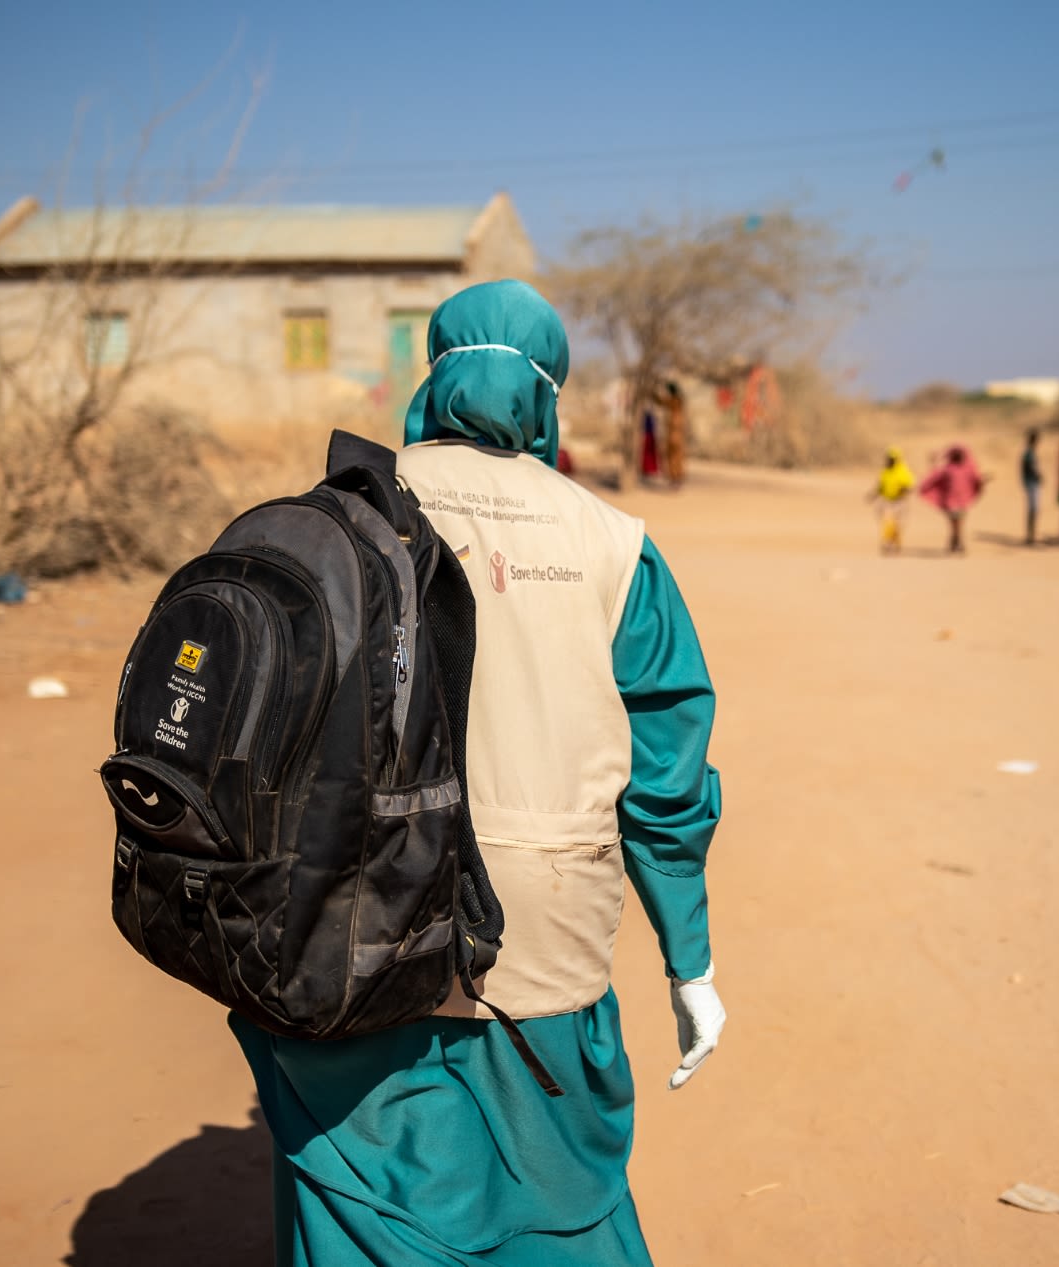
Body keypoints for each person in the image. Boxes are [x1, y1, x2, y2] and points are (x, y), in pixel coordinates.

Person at [231, 280, 726, 1266]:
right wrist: (690, 958)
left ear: (435, 377)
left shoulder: (335, 512)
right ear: (545, 396)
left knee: (364, 1203)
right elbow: (665, 774)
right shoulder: (614, 542)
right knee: (559, 1201)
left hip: (345, 926)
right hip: (547, 930)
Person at [919, 444, 987, 555]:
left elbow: (976, 480)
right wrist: (932, 462)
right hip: (950, 502)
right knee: (954, 523)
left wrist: (982, 482)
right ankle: (956, 541)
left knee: (958, 523)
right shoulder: (947, 469)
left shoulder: (968, 469)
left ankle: (956, 541)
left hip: (963, 501)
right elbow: (934, 477)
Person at [870, 445, 916, 554]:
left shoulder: (903, 471)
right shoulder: (885, 471)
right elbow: (881, 485)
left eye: (892, 459)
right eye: (889, 458)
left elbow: (909, 486)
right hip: (887, 500)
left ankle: (895, 543)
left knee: (898, 524)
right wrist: (873, 495)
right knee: (887, 522)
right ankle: (887, 543)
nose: (889, 460)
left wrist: (903, 490)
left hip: (900, 501)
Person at [656, 381, 688, 489]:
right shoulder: (677, 401)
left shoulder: (675, 401)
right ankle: (675, 478)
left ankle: (676, 478)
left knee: (674, 457)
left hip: (674, 434)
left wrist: (654, 392)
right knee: (674, 456)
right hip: (674, 433)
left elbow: (661, 401)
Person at [1019, 428, 1043, 546]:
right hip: (1032, 484)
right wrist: (1039, 476)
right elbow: (1032, 468)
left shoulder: (1029, 453)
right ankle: (1031, 537)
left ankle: (1031, 535)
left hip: (1031, 484)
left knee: (1033, 510)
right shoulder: (1029, 454)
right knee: (1034, 510)